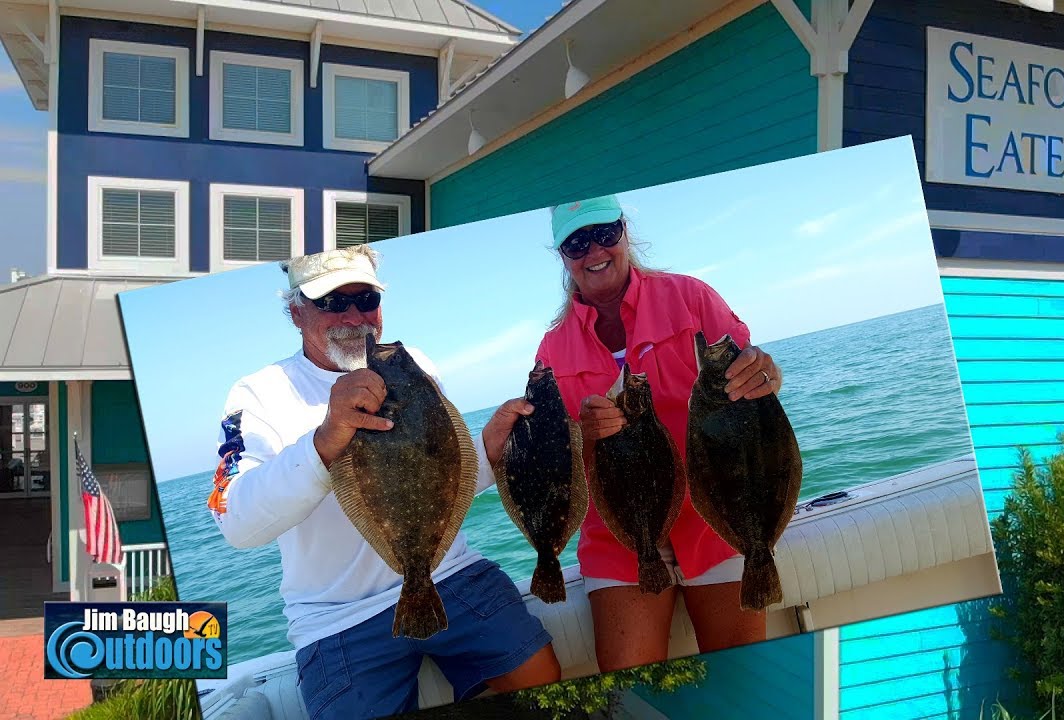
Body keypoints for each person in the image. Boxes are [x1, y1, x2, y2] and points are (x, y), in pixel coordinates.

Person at [206, 246, 560, 719]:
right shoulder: (258, 394)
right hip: (336, 616)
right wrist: (326, 439)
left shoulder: (414, 365)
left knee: (549, 689)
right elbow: (236, 522)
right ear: (295, 313)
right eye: (333, 302)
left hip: (450, 572)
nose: (355, 316)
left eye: (366, 298)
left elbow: (438, 480)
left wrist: (491, 451)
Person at [510, 194, 785, 672]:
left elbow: (750, 380)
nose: (594, 251)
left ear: (624, 232)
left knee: (747, 680)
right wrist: (587, 436)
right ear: (562, 256)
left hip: (714, 513)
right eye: (576, 243)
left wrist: (766, 373)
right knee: (629, 692)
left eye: (603, 234)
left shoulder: (690, 296)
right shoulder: (551, 350)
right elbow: (552, 464)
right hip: (621, 534)